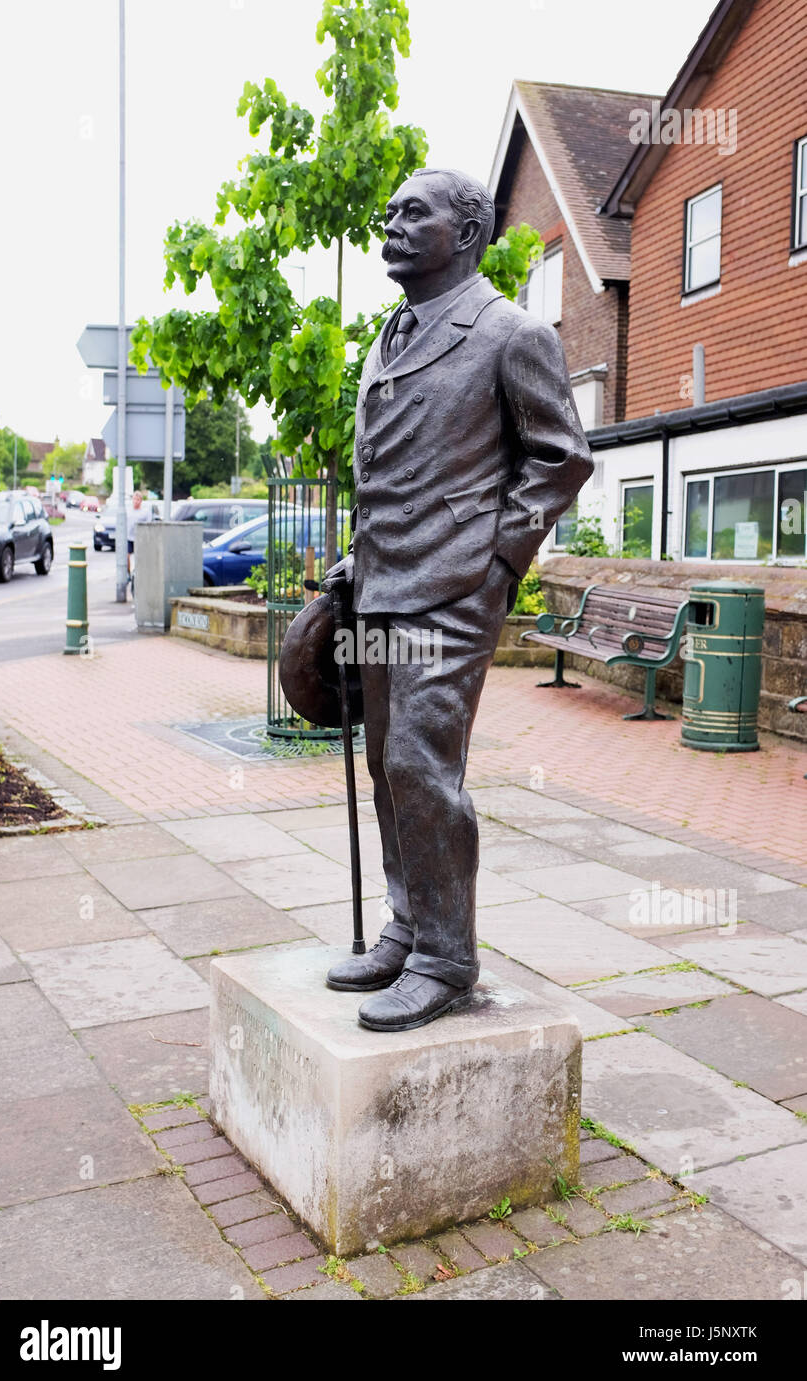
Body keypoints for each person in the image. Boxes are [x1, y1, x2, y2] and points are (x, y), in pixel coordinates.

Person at [322, 167, 593, 1031]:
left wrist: (498, 563)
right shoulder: (390, 335)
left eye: (413, 213)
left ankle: (447, 958)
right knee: (384, 767)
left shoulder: (511, 333)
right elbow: (389, 473)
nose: (390, 227)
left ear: (467, 232)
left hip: (453, 590)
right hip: (383, 583)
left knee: (419, 765)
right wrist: (354, 561)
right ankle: (408, 927)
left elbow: (559, 457)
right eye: (387, 212)